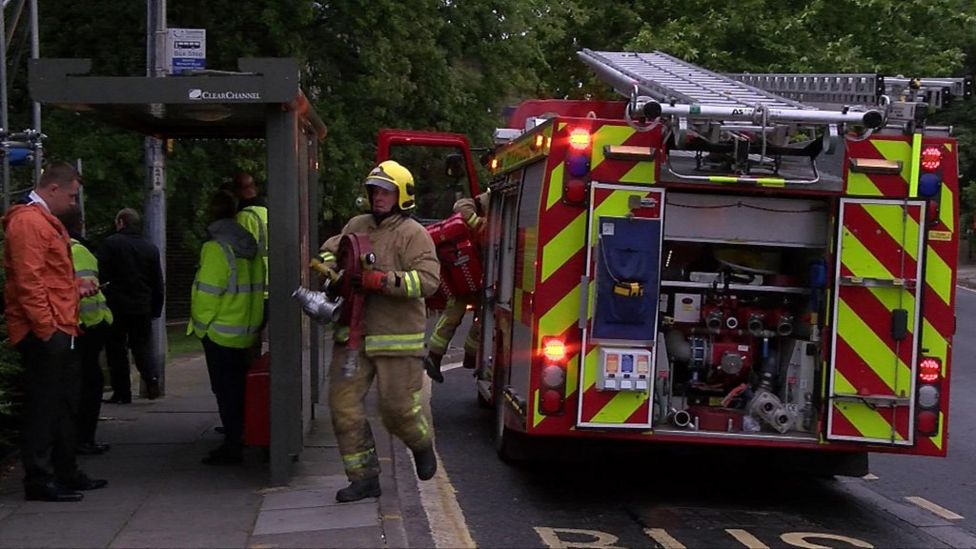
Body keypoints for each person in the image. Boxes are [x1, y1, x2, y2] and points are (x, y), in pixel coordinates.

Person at [319, 160, 440, 503]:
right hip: (352, 336)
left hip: (396, 339)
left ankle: (420, 443)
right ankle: (364, 478)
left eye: (386, 192)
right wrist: (331, 271)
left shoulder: (413, 234)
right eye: (374, 191)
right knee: (343, 407)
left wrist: (383, 281)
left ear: (402, 195)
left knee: (397, 410)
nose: (378, 197)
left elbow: (429, 281)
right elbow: (329, 250)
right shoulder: (356, 225)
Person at [3, 161, 107, 502]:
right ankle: (41, 478)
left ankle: (64, 471)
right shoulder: (30, 223)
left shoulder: (41, 222)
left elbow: (44, 279)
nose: (74, 203)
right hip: (47, 329)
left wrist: (75, 287)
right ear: (53, 189)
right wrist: (47, 328)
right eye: (72, 196)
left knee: (62, 404)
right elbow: (28, 282)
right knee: (46, 406)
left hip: (59, 324)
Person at [187, 190, 265, 465]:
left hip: (219, 332)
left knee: (225, 392)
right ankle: (243, 435)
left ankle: (233, 444)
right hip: (245, 331)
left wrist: (201, 327)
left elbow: (207, 294)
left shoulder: (215, 248)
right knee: (240, 391)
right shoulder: (250, 247)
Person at [59, 207, 114, 456]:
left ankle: (76, 439)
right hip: (87, 325)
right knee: (90, 384)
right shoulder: (79, 250)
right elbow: (90, 289)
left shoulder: (59, 248)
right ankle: (84, 439)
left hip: (74, 325)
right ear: (79, 224)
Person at [98, 208, 164, 403]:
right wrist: (156, 308)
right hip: (142, 305)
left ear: (121, 222)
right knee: (142, 345)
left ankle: (122, 392)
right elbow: (157, 282)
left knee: (116, 349)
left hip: (116, 305)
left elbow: (101, 274)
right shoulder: (150, 247)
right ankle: (151, 379)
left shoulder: (111, 244)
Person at [425, 190, 490, 383]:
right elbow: (461, 205)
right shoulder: (488, 199)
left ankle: (471, 356)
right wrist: (477, 223)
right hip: (469, 269)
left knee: (483, 318)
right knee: (454, 314)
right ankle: (434, 358)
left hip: (484, 273)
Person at [231, 172, 269, 348]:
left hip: (253, 289)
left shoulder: (243, 218)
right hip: (272, 287)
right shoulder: (269, 213)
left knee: (249, 342)